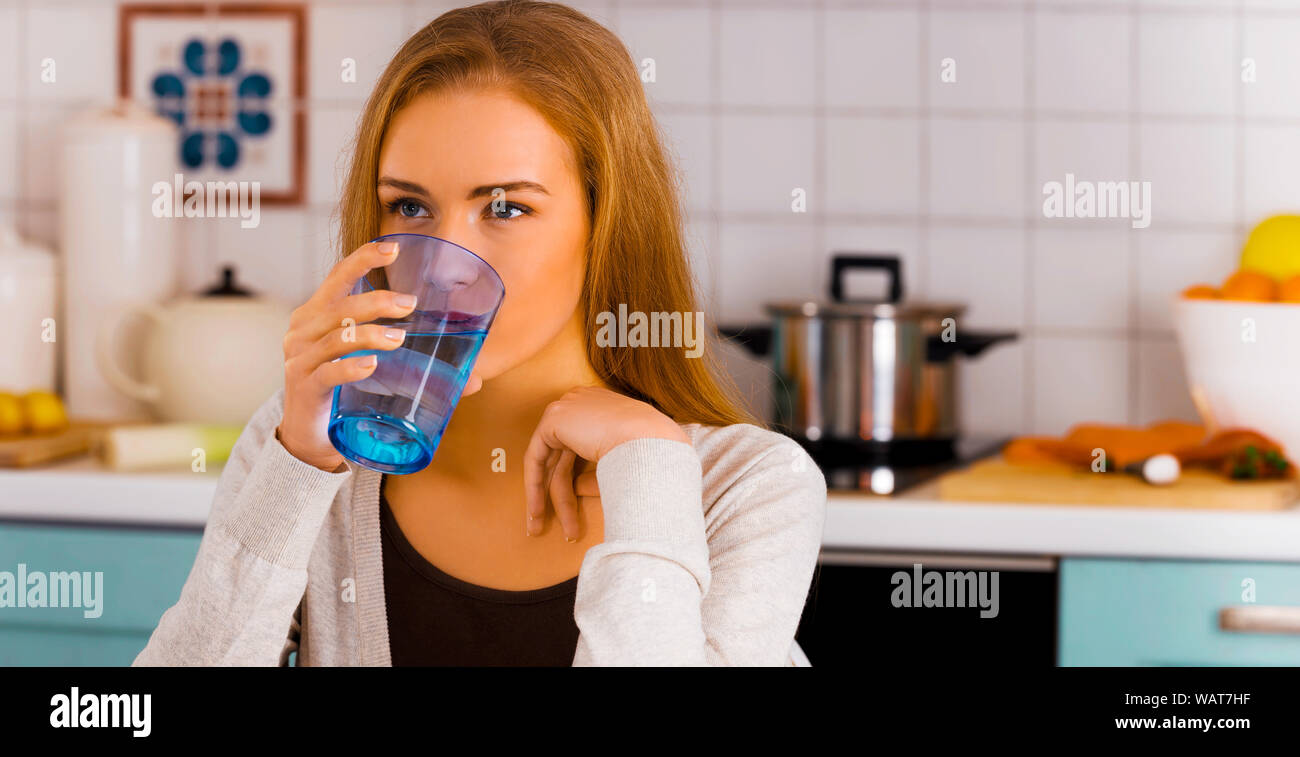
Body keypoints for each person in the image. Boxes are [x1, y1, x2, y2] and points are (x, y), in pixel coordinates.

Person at [134, 0, 826, 667]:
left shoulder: (751, 488)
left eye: (504, 206)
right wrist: (297, 469)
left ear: (608, 220)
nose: (444, 268)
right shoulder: (309, 447)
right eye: (410, 205)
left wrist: (646, 465)